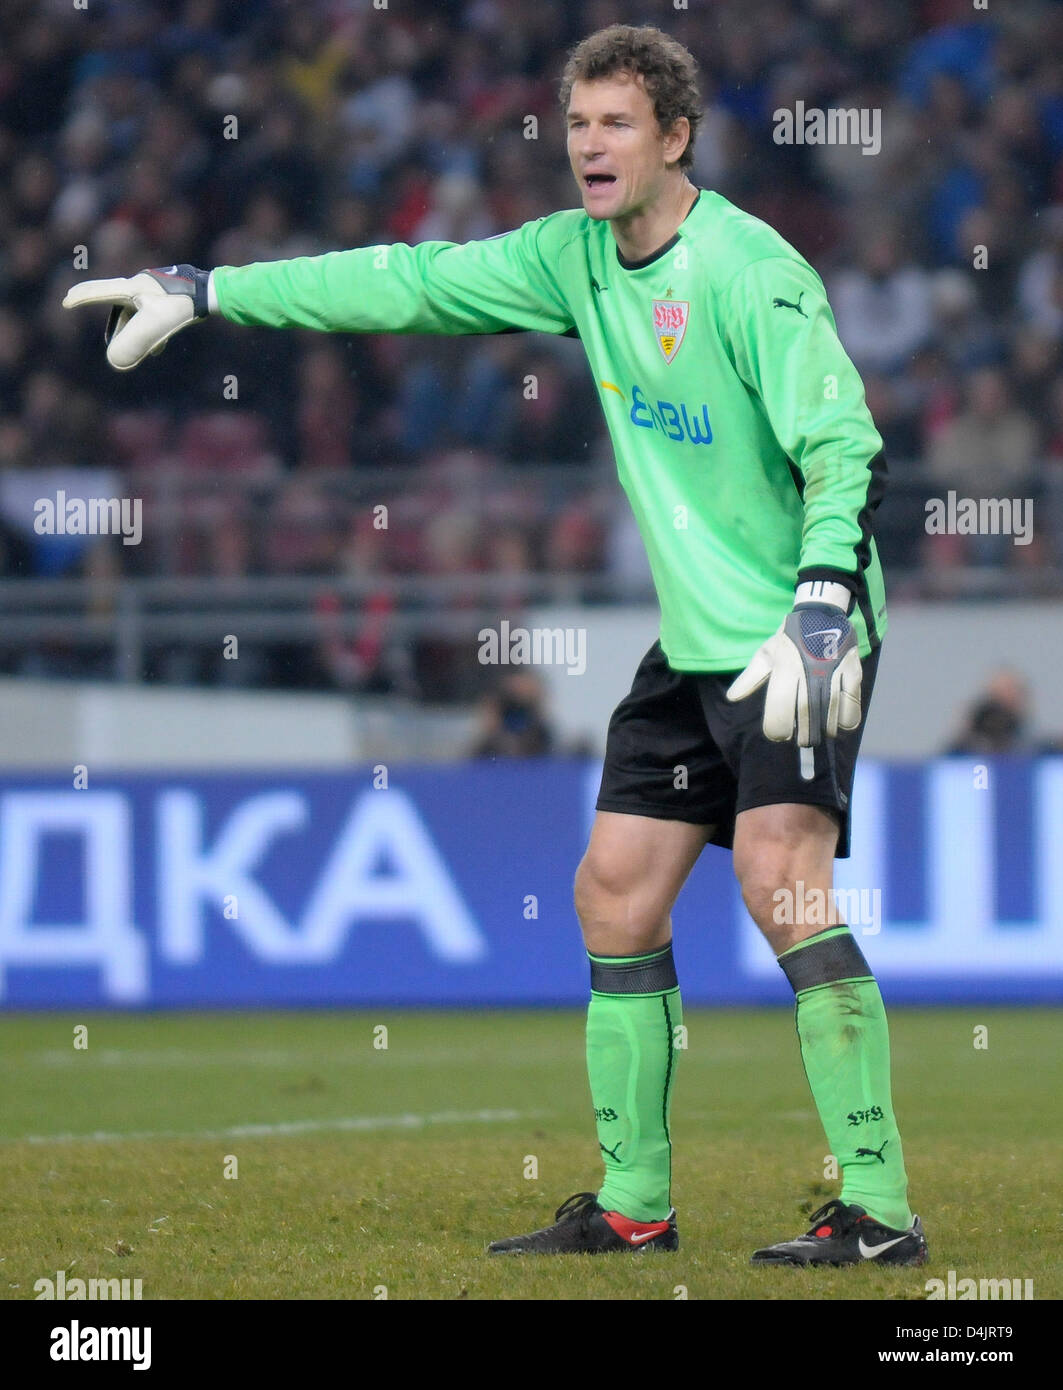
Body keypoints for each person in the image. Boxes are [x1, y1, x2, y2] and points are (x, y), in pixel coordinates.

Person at [62, 23, 925, 1269]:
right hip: (695, 642)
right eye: (577, 124)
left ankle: (880, 1209)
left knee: (778, 881)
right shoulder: (571, 260)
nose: (589, 145)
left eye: (617, 123)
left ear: (675, 137)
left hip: (802, 629)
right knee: (613, 895)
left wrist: (822, 600)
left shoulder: (752, 270)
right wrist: (211, 291)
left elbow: (844, 446)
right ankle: (635, 1204)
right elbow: (403, 281)